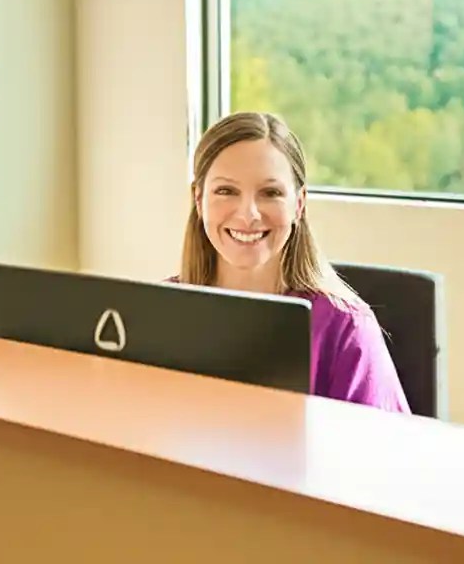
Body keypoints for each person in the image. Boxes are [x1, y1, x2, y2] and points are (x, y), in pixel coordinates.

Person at [172, 111, 410, 413]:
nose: (248, 215)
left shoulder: (345, 328)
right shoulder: (157, 313)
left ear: (299, 204)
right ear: (198, 200)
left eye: (270, 193)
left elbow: (383, 452)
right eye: (225, 191)